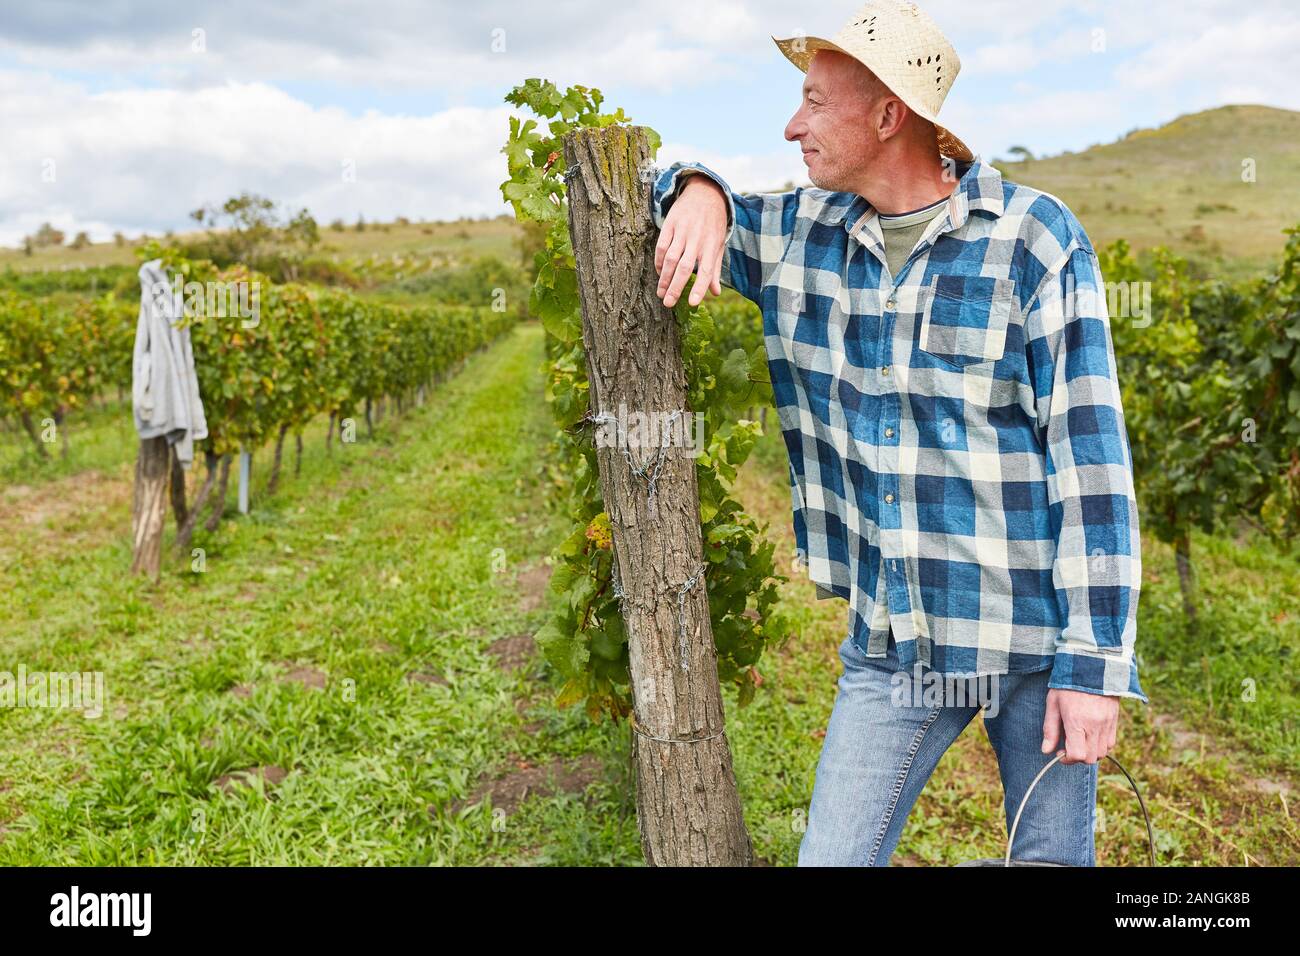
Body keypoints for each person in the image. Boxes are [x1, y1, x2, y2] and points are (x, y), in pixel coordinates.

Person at [650, 0, 1147, 866]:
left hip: (1034, 639)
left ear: (888, 115)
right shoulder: (803, 233)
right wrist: (693, 189)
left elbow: (1091, 461)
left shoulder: (1033, 239)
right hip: (897, 638)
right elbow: (670, 186)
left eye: (814, 102)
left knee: (1050, 862)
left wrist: (1093, 666)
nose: (791, 124)